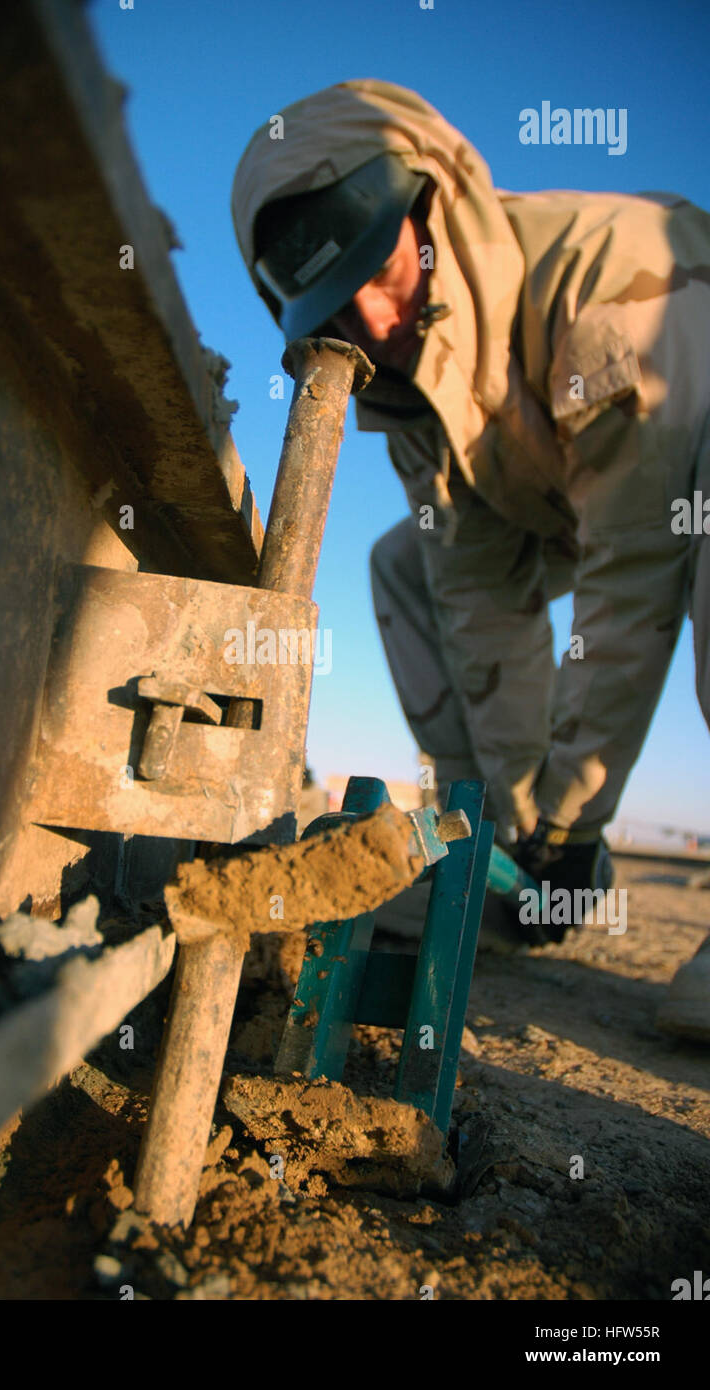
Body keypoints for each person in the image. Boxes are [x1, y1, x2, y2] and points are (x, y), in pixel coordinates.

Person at [231, 80, 710, 1040]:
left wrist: (575, 822)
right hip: (574, 493)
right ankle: (478, 861)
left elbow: (635, 565)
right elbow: (481, 599)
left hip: (679, 463)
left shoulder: (607, 280)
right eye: (336, 297)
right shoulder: (413, 393)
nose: (370, 314)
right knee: (404, 564)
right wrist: (527, 838)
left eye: (382, 266)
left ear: (430, 205)